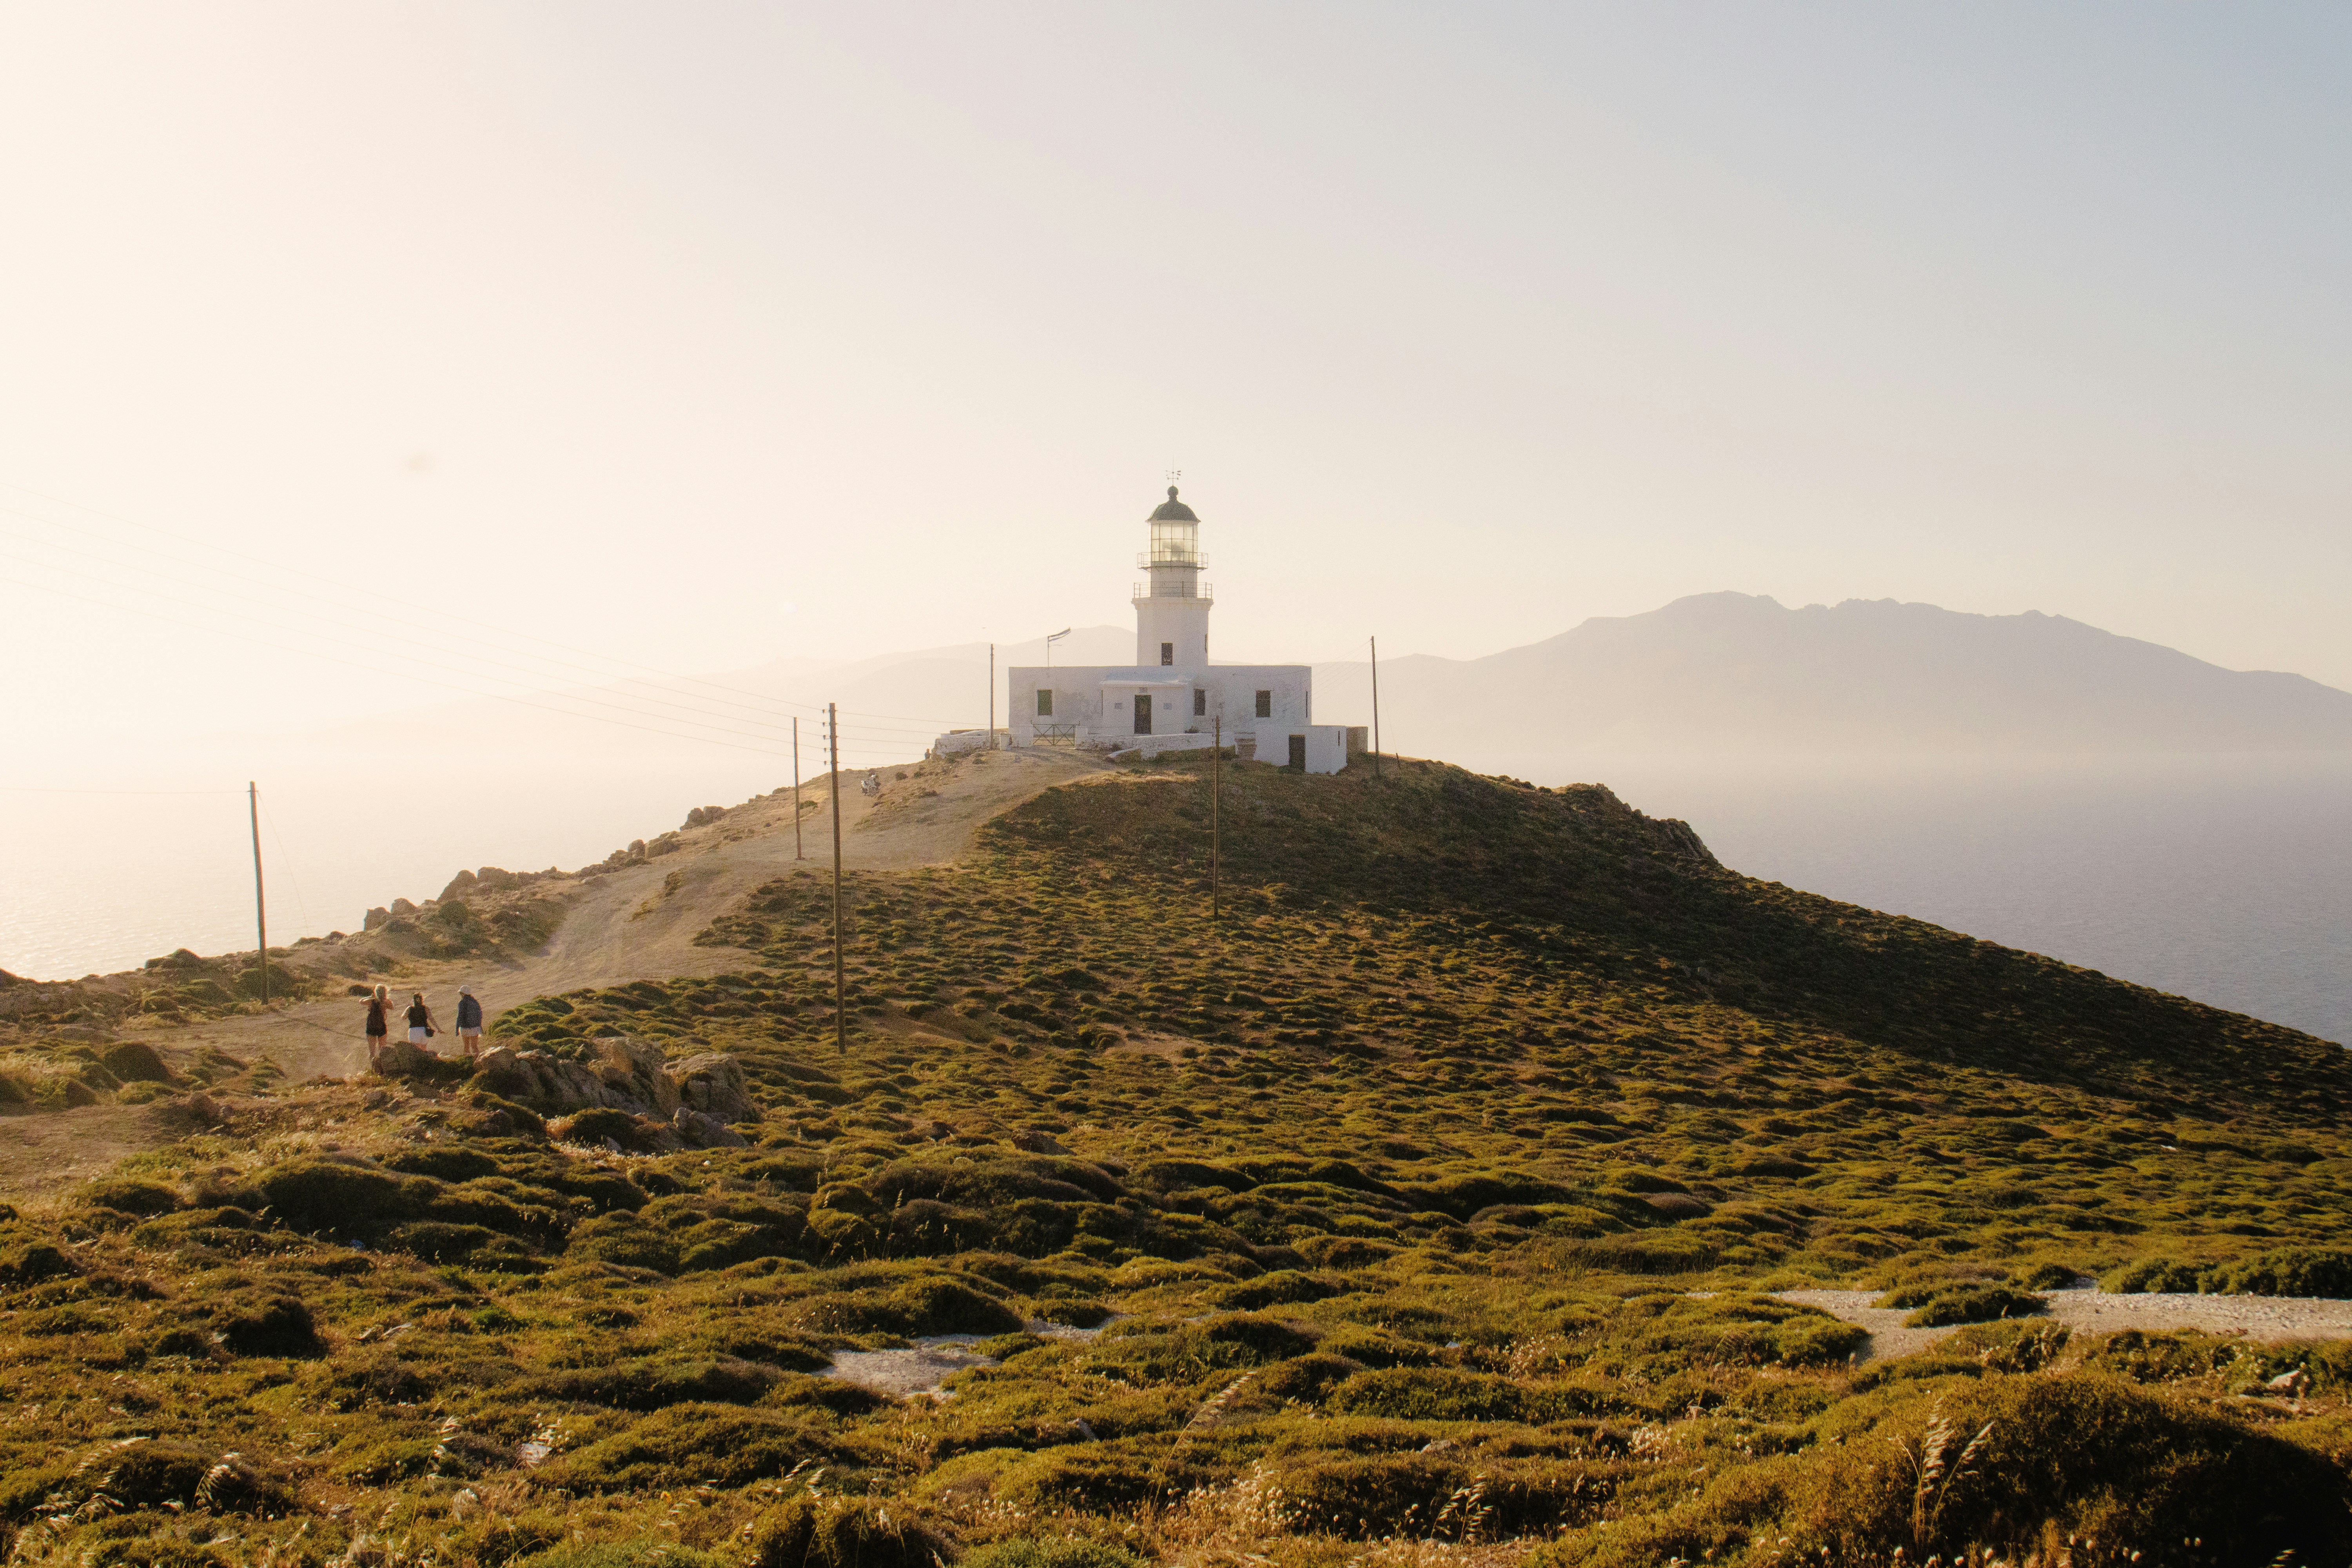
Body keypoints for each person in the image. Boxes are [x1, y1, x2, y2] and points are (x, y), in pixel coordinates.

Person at [405, 991, 443, 1055]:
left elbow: (403, 1017)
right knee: (424, 1050)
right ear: (422, 1000)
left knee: (415, 1051)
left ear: (414, 1000)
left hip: (414, 1031)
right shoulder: (426, 1008)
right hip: (424, 1031)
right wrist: (439, 1029)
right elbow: (432, 1019)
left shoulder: (410, 1008)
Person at [455, 984, 485, 1061]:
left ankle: (468, 1062)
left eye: (461, 993)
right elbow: (480, 1015)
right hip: (475, 1027)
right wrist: (480, 1026)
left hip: (465, 1027)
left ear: (463, 994)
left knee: (467, 1046)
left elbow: (460, 1016)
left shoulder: (462, 1003)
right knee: (475, 1047)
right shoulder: (475, 1002)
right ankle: (478, 1062)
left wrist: (457, 1029)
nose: (460, 995)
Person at [364, 985, 392, 1068]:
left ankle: (373, 1068)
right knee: (382, 1050)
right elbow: (393, 1007)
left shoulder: (371, 1001)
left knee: (372, 1051)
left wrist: (371, 997)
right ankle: (382, 1068)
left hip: (371, 1027)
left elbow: (361, 1001)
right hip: (381, 1027)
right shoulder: (386, 1002)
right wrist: (386, 1000)